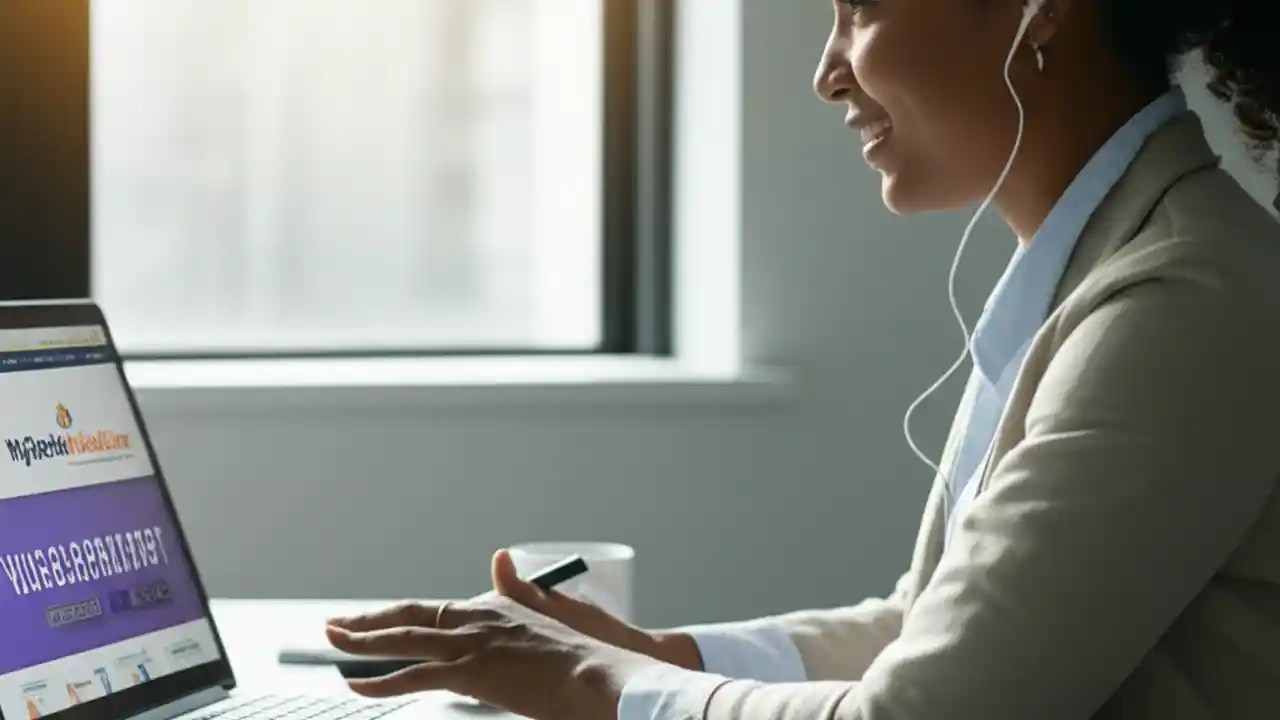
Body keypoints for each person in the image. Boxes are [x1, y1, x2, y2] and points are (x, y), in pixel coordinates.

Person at [324, 0, 1280, 717]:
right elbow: (934, 627)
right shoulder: (1119, 265)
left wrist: (594, 680)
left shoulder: (1179, 301)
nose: (829, 70)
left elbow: (923, 713)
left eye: (859, 7)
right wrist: (666, 655)